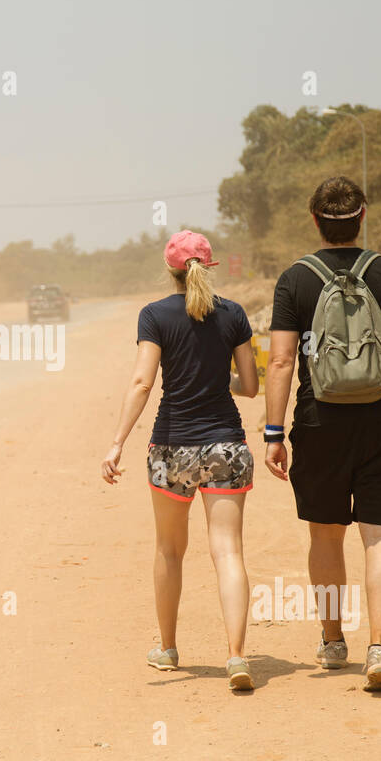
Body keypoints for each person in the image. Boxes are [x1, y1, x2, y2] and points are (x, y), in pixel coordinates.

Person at [264, 177, 381, 692]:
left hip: (320, 423)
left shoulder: (295, 280)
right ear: (362, 217)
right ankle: (379, 648)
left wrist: (274, 433)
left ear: (315, 220)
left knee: (325, 533)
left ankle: (334, 640)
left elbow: (281, 361)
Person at [101, 230, 260, 690]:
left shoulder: (154, 315)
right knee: (228, 551)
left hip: (171, 449)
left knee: (170, 551)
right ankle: (237, 656)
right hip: (226, 447)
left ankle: (168, 650)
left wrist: (117, 443)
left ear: (170, 270)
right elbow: (251, 385)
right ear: (209, 267)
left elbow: (142, 383)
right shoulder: (233, 314)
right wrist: (218, 379)